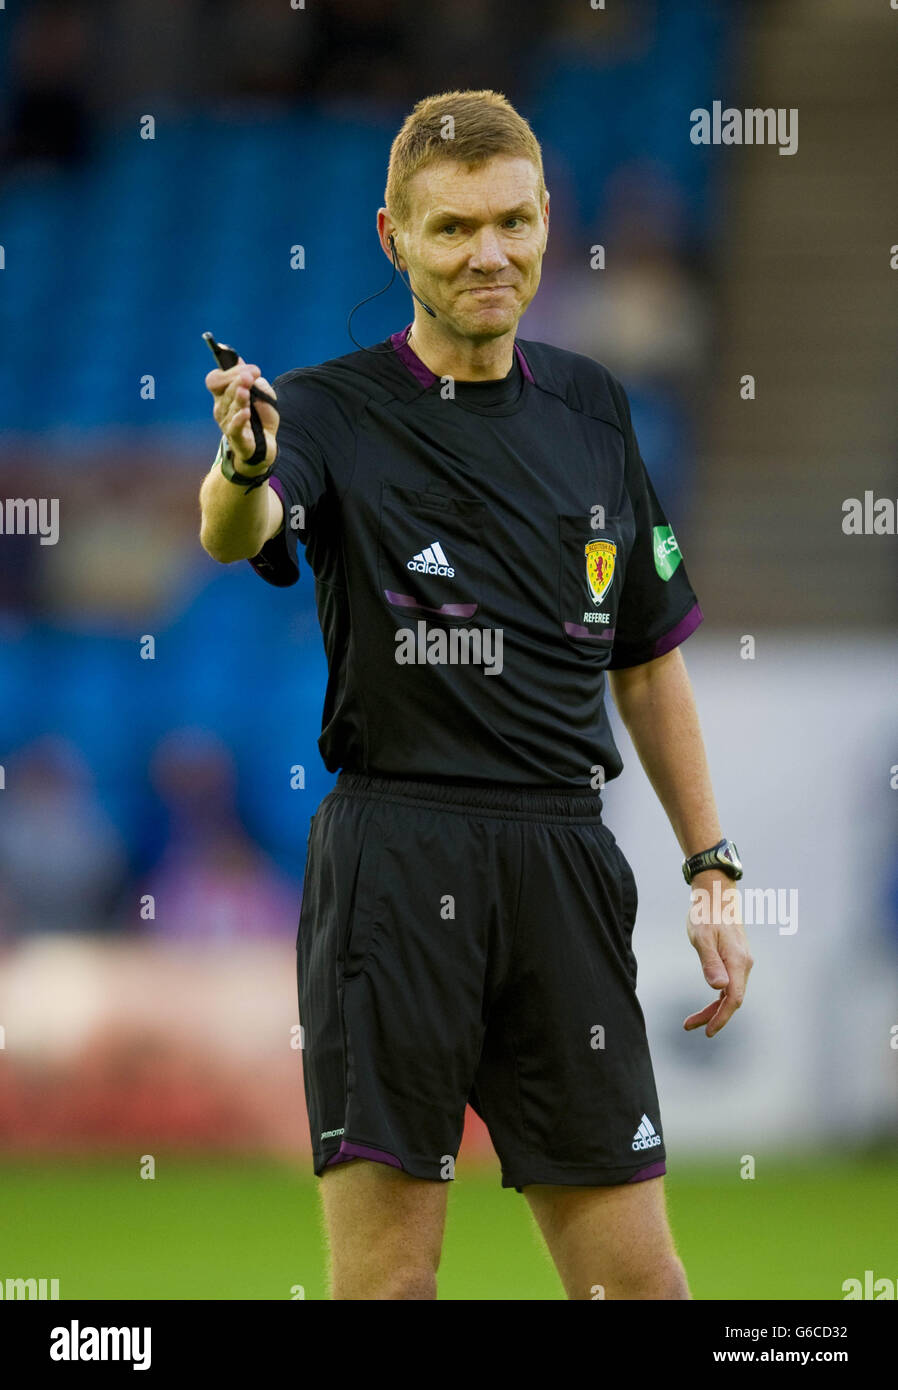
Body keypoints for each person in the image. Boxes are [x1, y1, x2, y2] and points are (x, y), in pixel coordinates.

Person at [199, 89, 752, 1301]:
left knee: (641, 1288)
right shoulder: (329, 407)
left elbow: (648, 661)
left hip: (565, 859)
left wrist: (709, 861)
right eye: (452, 230)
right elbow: (236, 526)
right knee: (391, 1286)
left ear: (549, 219)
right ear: (392, 236)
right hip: (395, 862)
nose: (488, 254)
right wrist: (241, 460)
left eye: (511, 221)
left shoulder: (595, 407)